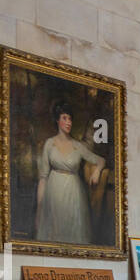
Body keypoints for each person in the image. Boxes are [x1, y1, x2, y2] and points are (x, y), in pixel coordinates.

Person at [36, 101, 105, 244]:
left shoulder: (77, 146)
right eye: (64, 118)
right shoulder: (49, 144)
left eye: (70, 119)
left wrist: (97, 171)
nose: (68, 122)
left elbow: (100, 160)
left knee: (73, 232)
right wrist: (40, 206)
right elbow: (43, 178)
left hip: (73, 193)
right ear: (57, 120)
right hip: (53, 193)